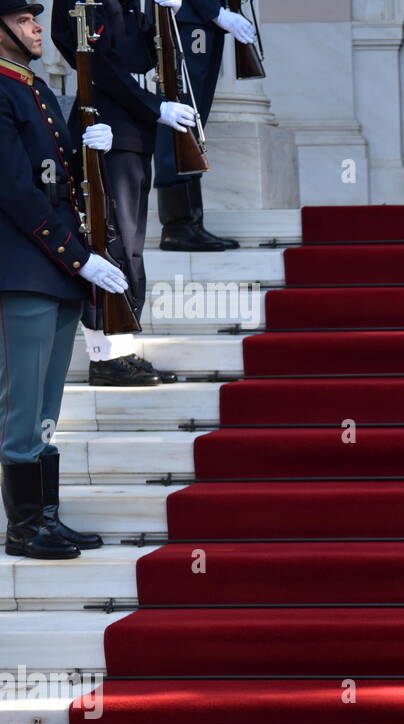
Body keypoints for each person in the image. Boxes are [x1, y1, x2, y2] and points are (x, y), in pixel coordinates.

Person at [0, 0, 127, 558]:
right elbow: (16, 191)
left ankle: (47, 516)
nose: (35, 29)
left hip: (54, 269)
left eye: (34, 19)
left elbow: (55, 174)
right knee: (23, 405)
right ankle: (24, 527)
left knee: (49, 404)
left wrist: (84, 146)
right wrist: (75, 256)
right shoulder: (2, 90)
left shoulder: (33, 87)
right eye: (26, 21)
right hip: (25, 265)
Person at [53, 0, 192, 387]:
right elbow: (96, 65)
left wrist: (167, 20)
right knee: (108, 237)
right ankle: (102, 356)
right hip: (104, 127)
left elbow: (145, 60)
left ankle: (120, 349)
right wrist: (153, 106)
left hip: (132, 132)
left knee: (129, 244)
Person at [153, 0, 254, 251]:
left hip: (200, 22)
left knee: (194, 121)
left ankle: (192, 224)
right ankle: (178, 226)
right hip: (188, 22)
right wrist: (216, 12)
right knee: (180, 119)